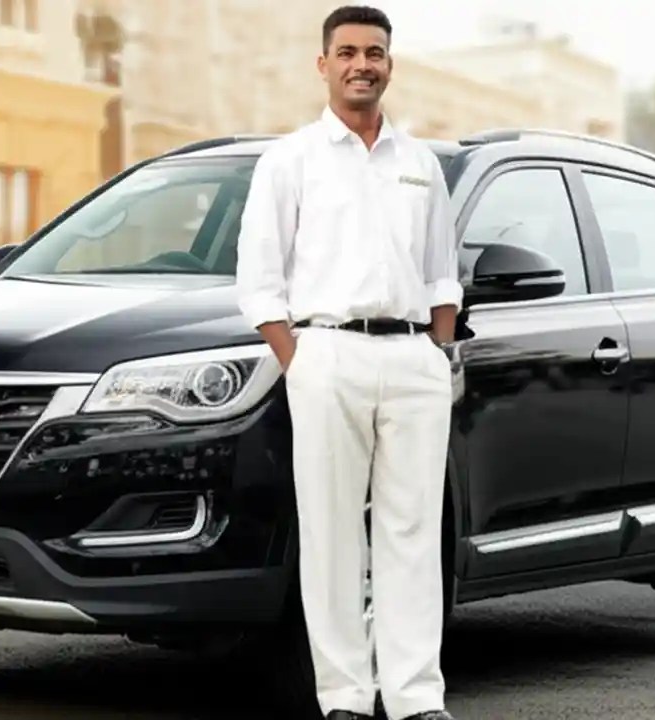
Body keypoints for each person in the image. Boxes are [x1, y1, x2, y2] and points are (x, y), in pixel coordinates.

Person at [235, 6, 460, 720]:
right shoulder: (289, 160)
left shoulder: (420, 164)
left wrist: (439, 349)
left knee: (413, 535)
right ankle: (346, 699)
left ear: (390, 64)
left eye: (376, 52)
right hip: (326, 354)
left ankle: (416, 697)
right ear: (323, 64)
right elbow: (259, 279)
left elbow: (442, 272)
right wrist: (297, 360)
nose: (363, 63)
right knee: (332, 535)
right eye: (349, 52)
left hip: (412, 359)